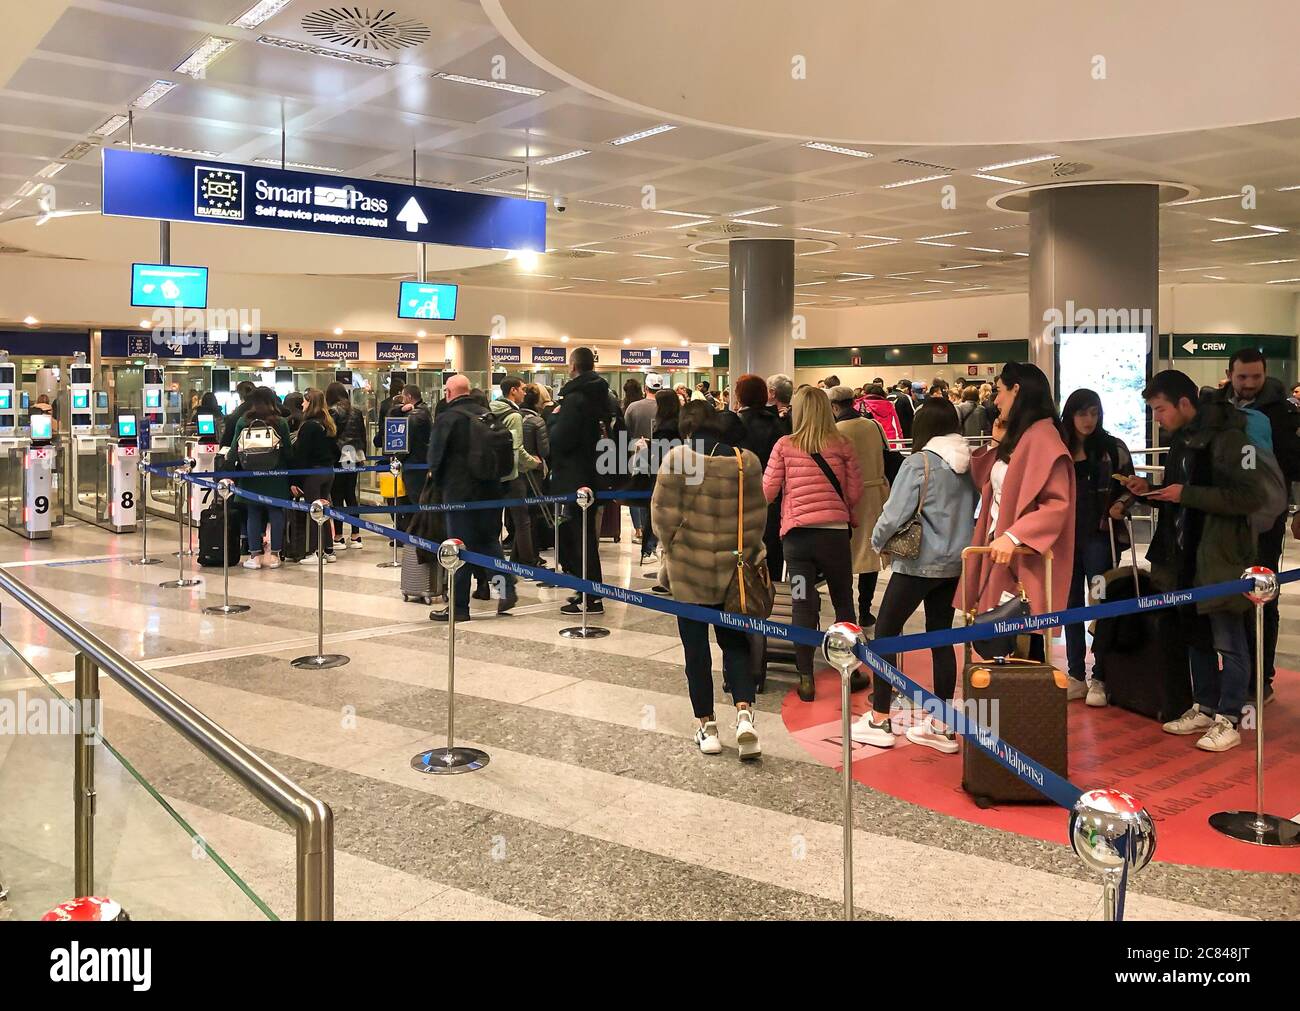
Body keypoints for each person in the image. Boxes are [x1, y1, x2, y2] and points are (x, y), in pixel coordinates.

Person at [1124, 371, 1264, 753]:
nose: (1157, 418)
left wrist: (1187, 493)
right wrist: (1150, 492)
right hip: (1183, 557)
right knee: (1196, 636)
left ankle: (1230, 717)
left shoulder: (1231, 439)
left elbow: (1250, 497)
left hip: (1220, 558)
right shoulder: (1182, 442)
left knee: (1228, 639)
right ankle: (1205, 706)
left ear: (1185, 403)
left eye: (1160, 409)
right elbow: (1180, 498)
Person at [853, 399, 977, 751]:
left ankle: (879, 717)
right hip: (955, 564)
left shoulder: (919, 462)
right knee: (940, 637)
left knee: (886, 634)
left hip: (918, 563)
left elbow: (893, 515)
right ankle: (941, 723)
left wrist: (877, 541)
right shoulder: (968, 465)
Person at [652, 401, 768, 758]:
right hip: (733, 571)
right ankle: (745, 714)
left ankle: (708, 727)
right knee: (734, 644)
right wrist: (746, 554)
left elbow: (661, 518)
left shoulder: (678, 459)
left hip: (689, 571)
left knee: (696, 651)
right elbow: (757, 518)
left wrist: (671, 550)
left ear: (688, 430)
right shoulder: (745, 462)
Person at [960, 363, 1074, 664]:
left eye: (999, 391)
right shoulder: (1024, 435)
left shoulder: (1043, 438)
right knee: (1001, 637)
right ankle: (1006, 706)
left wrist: (1013, 536)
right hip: (1001, 552)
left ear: (1016, 390)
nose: (995, 400)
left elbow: (1056, 505)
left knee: (1021, 639)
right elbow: (988, 481)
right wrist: (997, 440)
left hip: (1021, 557)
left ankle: (1019, 709)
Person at [1208, 348, 1300, 705]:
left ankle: (1261, 679)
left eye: (1255, 377)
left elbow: (1294, 463)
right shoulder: (1217, 406)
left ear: (1265, 375)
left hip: (1265, 518)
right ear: (1229, 373)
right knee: (1228, 596)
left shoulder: (1280, 413)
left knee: (1262, 593)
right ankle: (1234, 672)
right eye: (1242, 377)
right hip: (1223, 518)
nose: (1248, 384)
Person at [763, 386, 865, 702]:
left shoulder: (784, 445)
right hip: (834, 535)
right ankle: (852, 668)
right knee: (843, 600)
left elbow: (767, 492)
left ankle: (806, 676)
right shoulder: (843, 445)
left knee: (801, 602)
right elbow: (855, 491)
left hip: (797, 541)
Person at [1058, 388, 1134, 705]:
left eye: (1094, 413)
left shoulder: (1112, 448)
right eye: (1082, 413)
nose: (1089, 420)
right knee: (1069, 605)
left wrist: (1120, 504)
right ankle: (1076, 673)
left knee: (1101, 602)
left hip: (1099, 540)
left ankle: (1100, 675)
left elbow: (1131, 485)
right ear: (1070, 415)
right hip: (1064, 540)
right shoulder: (1057, 447)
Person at [426, 373, 518, 619]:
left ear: (448, 393)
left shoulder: (448, 418)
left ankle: (458, 608)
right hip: (490, 491)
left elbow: (434, 460)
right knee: (489, 542)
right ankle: (505, 589)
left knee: (459, 548)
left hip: (459, 494)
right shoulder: (486, 414)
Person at [548, 347, 616, 615]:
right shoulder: (604, 397)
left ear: (573, 366)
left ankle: (591, 594)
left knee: (578, 536)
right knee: (585, 536)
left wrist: (553, 419)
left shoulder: (575, 399)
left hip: (574, 477)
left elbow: (560, 440)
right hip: (594, 473)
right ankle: (588, 590)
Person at [829, 386, 889, 628]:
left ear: (834, 407)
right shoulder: (873, 425)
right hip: (874, 495)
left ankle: (844, 612)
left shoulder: (834, 431)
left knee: (843, 556)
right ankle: (865, 609)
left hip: (845, 498)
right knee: (869, 554)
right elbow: (887, 454)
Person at [227, 387, 292, 569]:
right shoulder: (280, 422)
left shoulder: (243, 421)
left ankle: (254, 556)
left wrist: (228, 471)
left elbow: (234, 450)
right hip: (276, 475)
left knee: (253, 513)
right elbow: (287, 450)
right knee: (276, 512)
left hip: (250, 475)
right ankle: (274, 556)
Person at [733, 374, 787, 582]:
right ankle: (770, 591)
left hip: (742, 497)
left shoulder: (735, 425)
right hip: (773, 497)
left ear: (740, 396)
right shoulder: (778, 424)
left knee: (742, 549)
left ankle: (744, 592)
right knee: (772, 549)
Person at [490, 376, 543, 567]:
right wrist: (534, 463)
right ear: (513, 391)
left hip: (494, 475)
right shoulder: (514, 416)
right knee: (522, 520)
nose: (524, 393)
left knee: (495, 520)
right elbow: (518, 449)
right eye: (522, 389)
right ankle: (528, 561)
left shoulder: (491, 410)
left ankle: (495, 559)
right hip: (512, 475)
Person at [290, 389, 340, 562]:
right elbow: (336, 450)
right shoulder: (327, 423)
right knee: (323, 510)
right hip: (328, 471)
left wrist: (295, 480)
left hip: (313, 473)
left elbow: (301, 454)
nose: (302, 404)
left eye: (304, 401)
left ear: (310, 402)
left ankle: (314, 551)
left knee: (314, 511)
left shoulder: (308, 426)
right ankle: (328, 549)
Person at [327, 381, 367, 550]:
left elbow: (331, 435)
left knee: (336, 494)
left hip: (338, 455)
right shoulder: (356, 411)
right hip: (353, 454)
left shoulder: (333, 411)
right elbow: (362, 435)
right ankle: (356, 535)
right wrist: (362, 454)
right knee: (350, 494)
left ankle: (338, 535)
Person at [622, 378, 655, 545]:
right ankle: (652, 529)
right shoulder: (665, 408)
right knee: (653, 490)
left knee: (636, 488)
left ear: (646, 387)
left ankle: (638, 529)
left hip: (635, 453)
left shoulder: (633, 407)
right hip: (659, 453)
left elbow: (624, 431)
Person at [396, 387, 433, 520]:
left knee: (416, 500)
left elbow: (406, 442)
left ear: (409, 397)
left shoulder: (414, 416)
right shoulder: (425, 411)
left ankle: (419, 534)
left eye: (404, 397)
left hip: (414, 464)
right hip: (422, 462)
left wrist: (398, 457)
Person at [219, 381, 256, 448]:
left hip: (240, 454)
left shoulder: (236, 415)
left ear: (240, 395)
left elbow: (226, 443)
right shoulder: (267, 410)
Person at [373, 377, 405, 448]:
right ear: (400, 391)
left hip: (387, 439)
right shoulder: (405, 405)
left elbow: (381, 424)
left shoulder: (384, 404)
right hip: (402, 439)